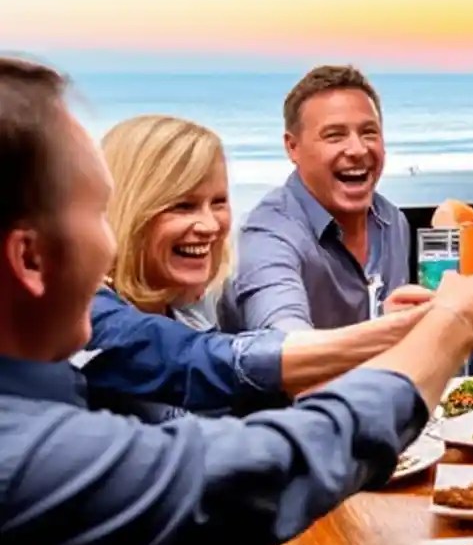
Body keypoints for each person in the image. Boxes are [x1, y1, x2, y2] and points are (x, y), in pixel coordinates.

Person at [0, 56, 473, 545]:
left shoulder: (163, 322)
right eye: (95, 215)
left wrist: (417, 328)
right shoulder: (32, 454)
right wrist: (446, 326)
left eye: (218, 202)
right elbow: (233, 413)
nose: (111, 243)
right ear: (30, 258)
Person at [79, 115, 434, 419]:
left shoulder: (187, 317)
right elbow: (208, 361)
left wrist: (389, 336)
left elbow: (260, 402)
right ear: (129, 210)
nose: (210, 225)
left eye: (218, 202)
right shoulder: (86, 316)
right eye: (183, 206)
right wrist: (394, 333)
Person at [219, 65, 414, 332]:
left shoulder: (391, 221)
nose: (357, 149)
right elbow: (283, 340)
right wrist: (382, 334)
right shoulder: (268, 235)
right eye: (335, 135)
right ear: (292, 147)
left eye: (369, 132)